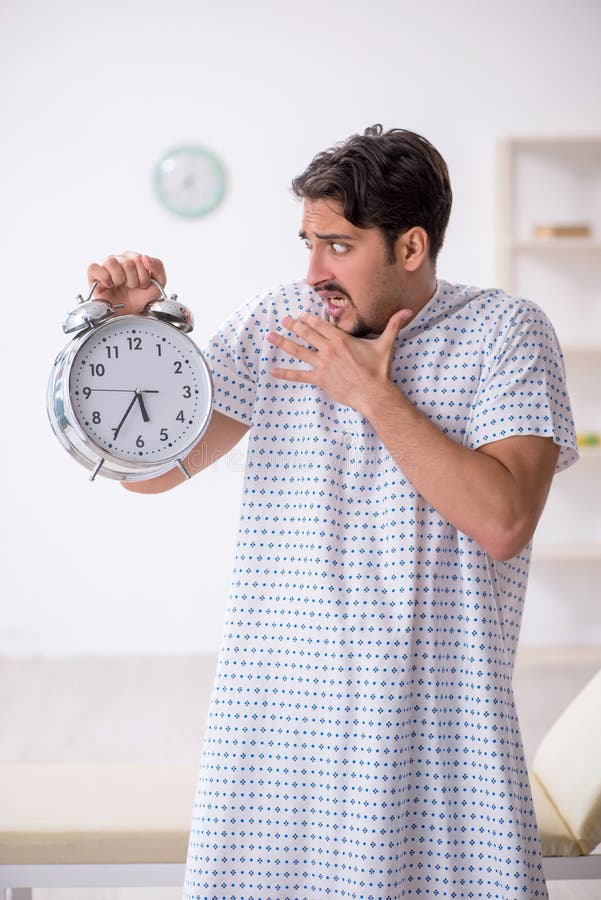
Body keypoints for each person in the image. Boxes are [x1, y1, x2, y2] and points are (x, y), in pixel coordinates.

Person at [87, 125, 578, 899]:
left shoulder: (505, 332)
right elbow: (145, 475)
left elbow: (503, 522)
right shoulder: (282, 321)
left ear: (410, 247)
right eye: (308, 243)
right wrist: (133, 338)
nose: (314, 271)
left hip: (437, 736)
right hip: (276, 733)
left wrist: (371, 395)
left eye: (339, 246)